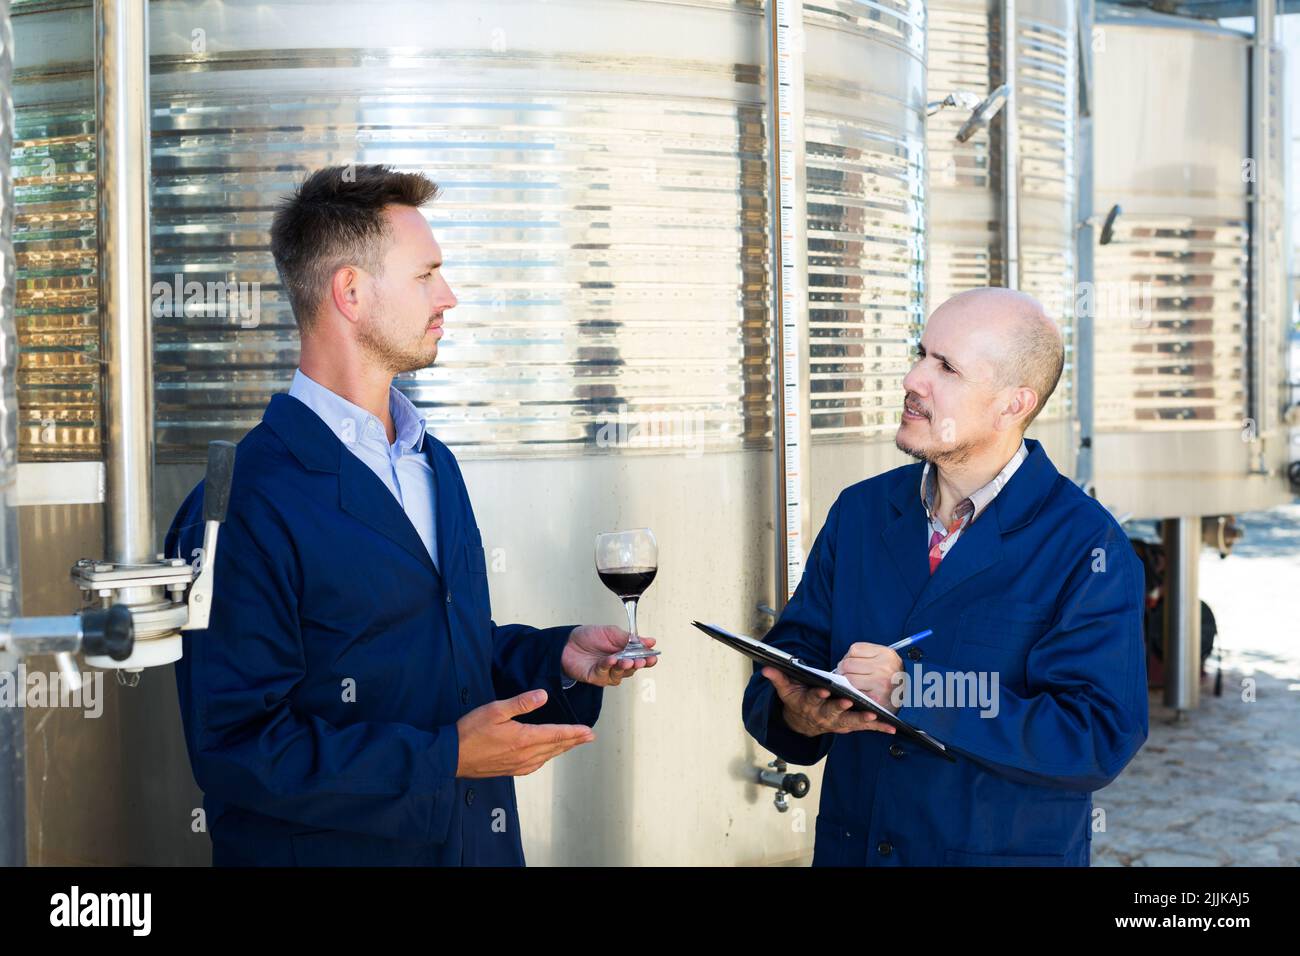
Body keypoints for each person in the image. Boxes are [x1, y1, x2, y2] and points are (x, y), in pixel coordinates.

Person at [166, 164, 656, 866]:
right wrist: (444, 759)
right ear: (351, 291)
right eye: (426, 275)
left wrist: (557, 661)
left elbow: (441, 655)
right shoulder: (240, 503)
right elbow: (239, 749)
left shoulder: (432, 463)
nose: (448, 297)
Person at [741, 288, 1148, 866]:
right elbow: (789, 658)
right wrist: (797, 712)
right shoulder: (860, 513)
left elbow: (1095, 736)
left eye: (946, 367)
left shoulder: (1087, 547)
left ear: (1013, 404)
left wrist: (917, 691)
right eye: (921, 353)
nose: (913, 378)